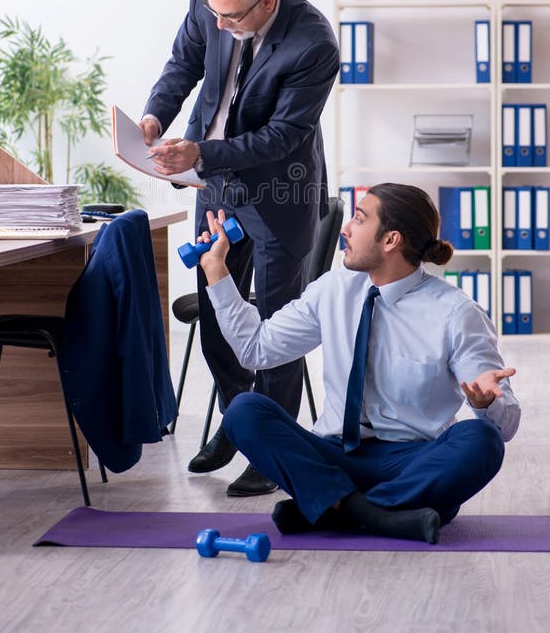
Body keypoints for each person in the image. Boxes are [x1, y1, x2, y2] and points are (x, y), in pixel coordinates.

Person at [199, 183, 520, 543]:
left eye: (359, 218)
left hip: (411, 462)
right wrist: (216, 271)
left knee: (482, 440)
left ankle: (328, 505)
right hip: (334, 453)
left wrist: (487, 403)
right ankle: (382, 515)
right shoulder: (333, 290)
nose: (344, 228)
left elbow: (505, 424)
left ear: (390, 240)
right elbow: (256, 349)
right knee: (245, 412)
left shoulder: (456, 312)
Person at [140, 0, 339, 495]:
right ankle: (239, 422)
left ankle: (270, 454)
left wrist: (200, 153)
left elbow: (283, 137)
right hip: (216, 185)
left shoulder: (313, 43)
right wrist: (157, 114)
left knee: (276, 327)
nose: (221, 25)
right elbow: (183, 62)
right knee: (216, 314)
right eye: (216, 14)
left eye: (232, 18)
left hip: (279, 191)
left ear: (267, 0)